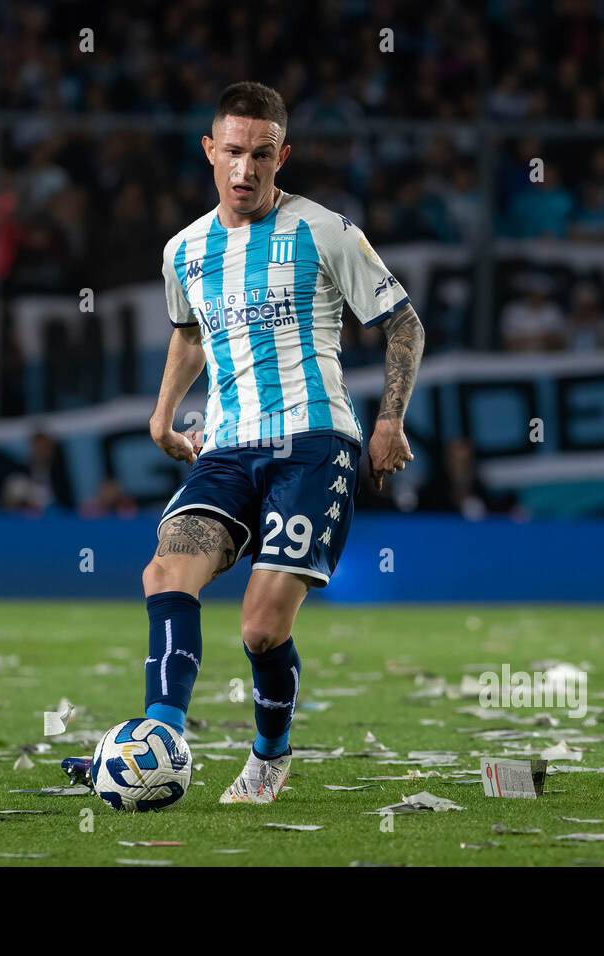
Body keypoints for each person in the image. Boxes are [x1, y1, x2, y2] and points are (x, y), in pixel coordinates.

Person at [74, 82, 425, 804]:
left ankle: (269, 756)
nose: (245, 169)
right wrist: (162, 417)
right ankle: (160, 737)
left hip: (313, 443)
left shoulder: (327, 231)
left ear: (281, 155)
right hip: (226, 449)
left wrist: (389, 420)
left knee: (262, 629)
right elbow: (189, 332)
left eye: (261, 154)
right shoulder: (185, 250)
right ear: (210, 151)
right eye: (232, 152)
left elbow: (404, 324)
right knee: (166, 575)